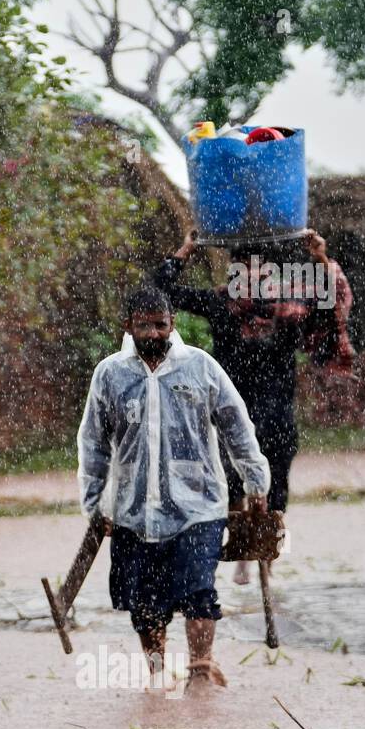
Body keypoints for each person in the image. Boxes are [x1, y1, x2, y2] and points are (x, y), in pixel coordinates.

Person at [77, 287, 271, 693]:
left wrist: (256, 479)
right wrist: (94, 503)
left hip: (198, 504)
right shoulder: (110, 374)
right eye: (144, 324)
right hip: (132, 507)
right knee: (144, 603)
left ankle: (201, 669)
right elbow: (93, 441)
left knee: (199, 587)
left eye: (160, 324)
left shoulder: (200, 367)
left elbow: (236, 423)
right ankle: (157, 671)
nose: (153, 332)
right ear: (127, 326)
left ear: (172, 324)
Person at [153, 229, 353, 583]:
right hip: (232, 414)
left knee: (273, 483)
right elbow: (159, 292)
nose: (250, 278)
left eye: (257, 271)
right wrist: (185, 249)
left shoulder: (288, 309)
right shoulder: (225, 304)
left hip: (274, 413)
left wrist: (321, 258)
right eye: (243, 271)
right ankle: (245, 547)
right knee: (232, 481)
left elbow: (336, 303)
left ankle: (266, 557)